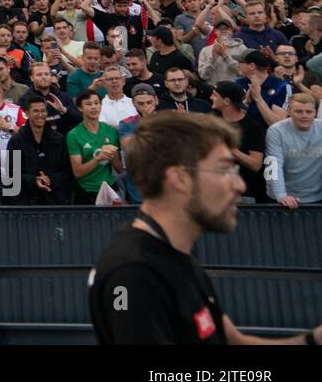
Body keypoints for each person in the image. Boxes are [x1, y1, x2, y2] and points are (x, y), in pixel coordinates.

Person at [89, 111, 322, 345]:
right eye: (224, 169)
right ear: (180, 178)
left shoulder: (175, 250)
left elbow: (233, 340)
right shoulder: (134, 272)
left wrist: (312, 340)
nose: (240, 184)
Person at [209, 81, 267, 203]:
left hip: (243, 192)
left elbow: (256, 164)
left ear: (226, 101)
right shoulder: (212, 122)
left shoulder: (253, 127)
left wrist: (230, 148)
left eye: (214, 95)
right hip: (214, 189)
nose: (211, 98)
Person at [9, 98, 71, 204]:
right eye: (36, 111)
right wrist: (34, 180)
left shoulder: (59, 139)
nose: (40, 114)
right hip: (26, 201)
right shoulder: (16, 140)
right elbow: (11, 174)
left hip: (54, 199)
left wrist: (50, 179)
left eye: (43, 111)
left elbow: (67, 170)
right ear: (27, 114)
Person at [265, 94, 322, 208]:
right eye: (299, 111)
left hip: (316, 197)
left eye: (309, 112)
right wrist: (281, 195)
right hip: (281, 197)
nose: (304, 116)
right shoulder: (276, 131)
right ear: (289, 112)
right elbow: (273, 165)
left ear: (315, 113)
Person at [65, 91, 122, 204]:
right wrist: (98, 158)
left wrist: (111, 154)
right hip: (86, 190)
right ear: (80, 108)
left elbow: (119, 168)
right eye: (89, 104)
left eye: (96, 103)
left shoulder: (111, 131)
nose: (94, 107)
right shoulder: (74, 135)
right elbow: (77, 172)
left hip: (110, 187)